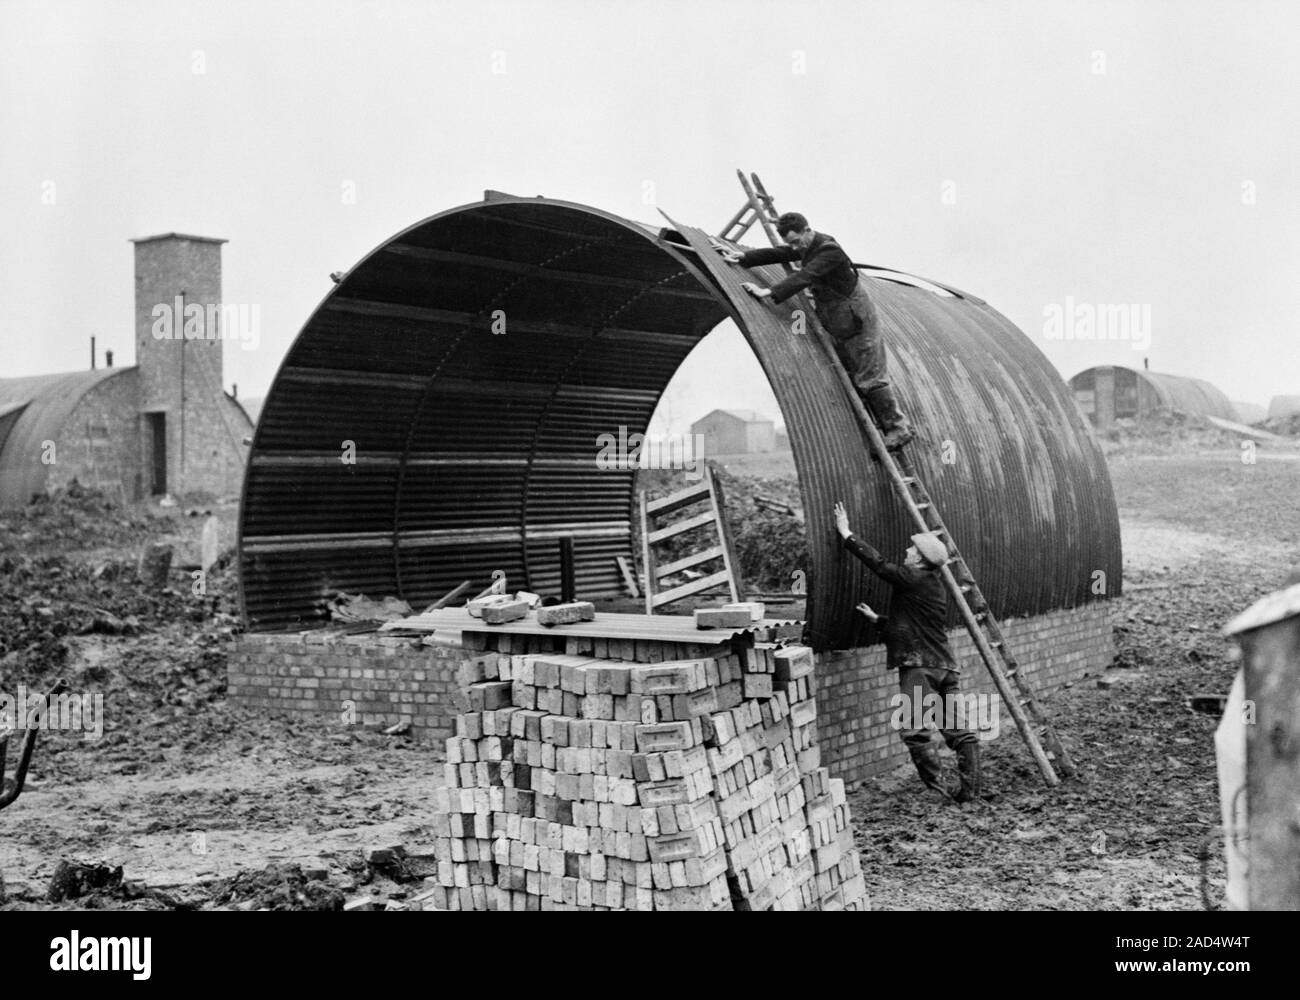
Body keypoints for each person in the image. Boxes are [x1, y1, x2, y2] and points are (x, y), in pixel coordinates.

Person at [722, 213, 913, 450]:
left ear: (807, 230)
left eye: (796, 241)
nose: (795, 247)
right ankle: (881, 425)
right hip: (839, 320)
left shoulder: (829, 251)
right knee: (855, 374)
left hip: (858, 318)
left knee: (870, 375)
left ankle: (898, 428)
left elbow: (805, 276)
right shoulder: (809, 246)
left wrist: (769, 292)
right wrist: (746, 257)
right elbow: (783, 253)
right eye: (791, 243)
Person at [832, 500, 982, 802]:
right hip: (945, 667)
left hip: (920, 669)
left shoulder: (912, 577)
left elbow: (878, 564)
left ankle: (938, 795)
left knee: (914, 731)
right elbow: (915, 626)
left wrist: (846, 532)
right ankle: (970, 792)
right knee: (958, 731)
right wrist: (879, 621)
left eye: (912, 551)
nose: (907, 552)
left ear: (920, 560)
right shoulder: (933, 584)